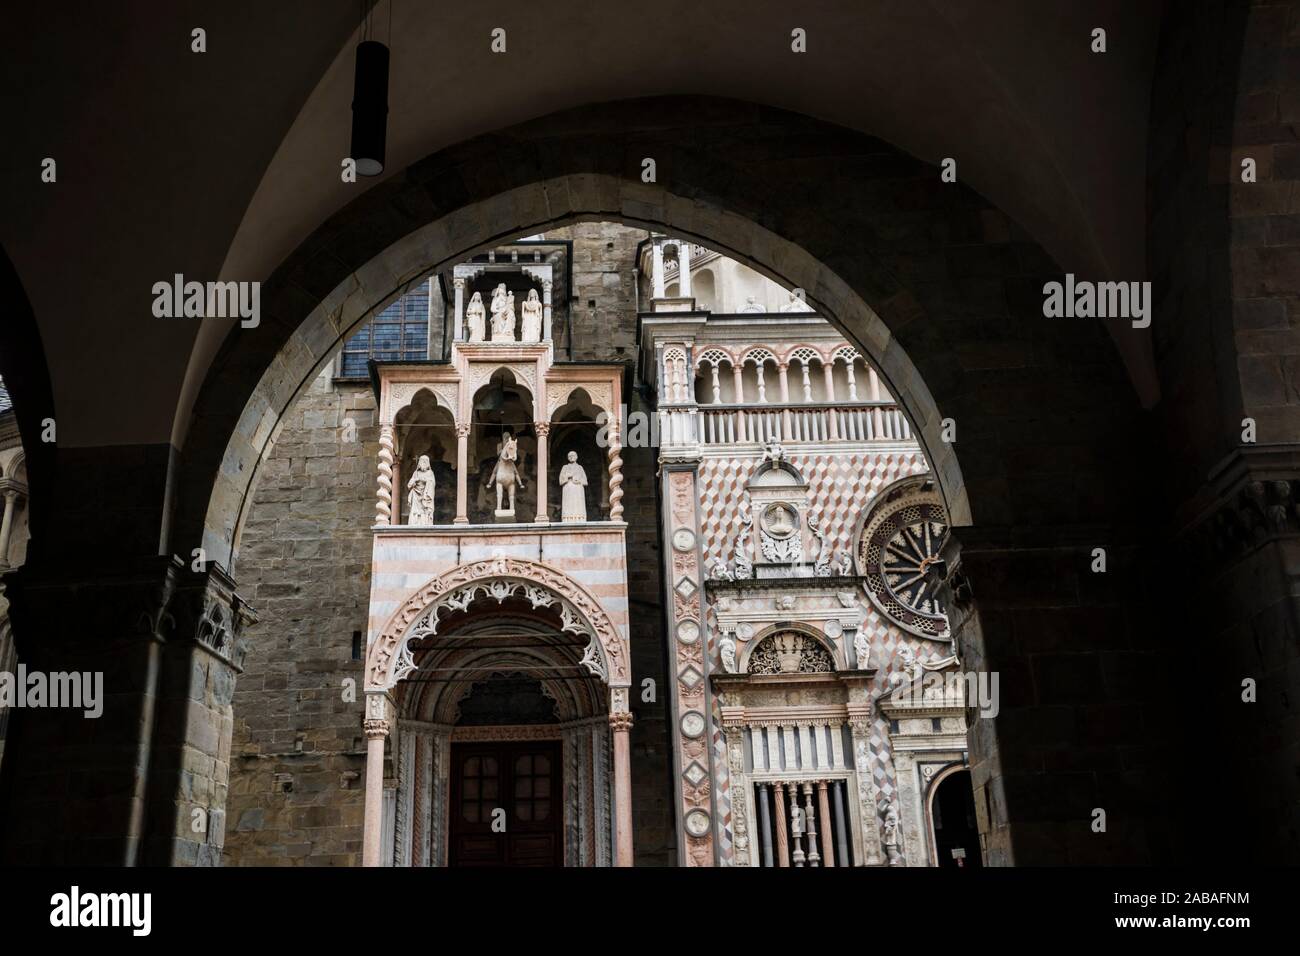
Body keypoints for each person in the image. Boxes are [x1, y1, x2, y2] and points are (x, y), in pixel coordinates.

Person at [559, 451, 588, 521]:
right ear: (568, 458)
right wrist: (568, 476)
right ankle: (567, 519)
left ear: (576, 457)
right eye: (570, 456)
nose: (571, 457)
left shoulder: (580, 467)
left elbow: (585, 481)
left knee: (577, 506)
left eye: (573, 455)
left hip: (578, 490)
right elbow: (561, 480)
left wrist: (579, 480)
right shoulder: (565, 467)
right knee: (569, 506)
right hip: (568, 489)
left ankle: (580, 519)